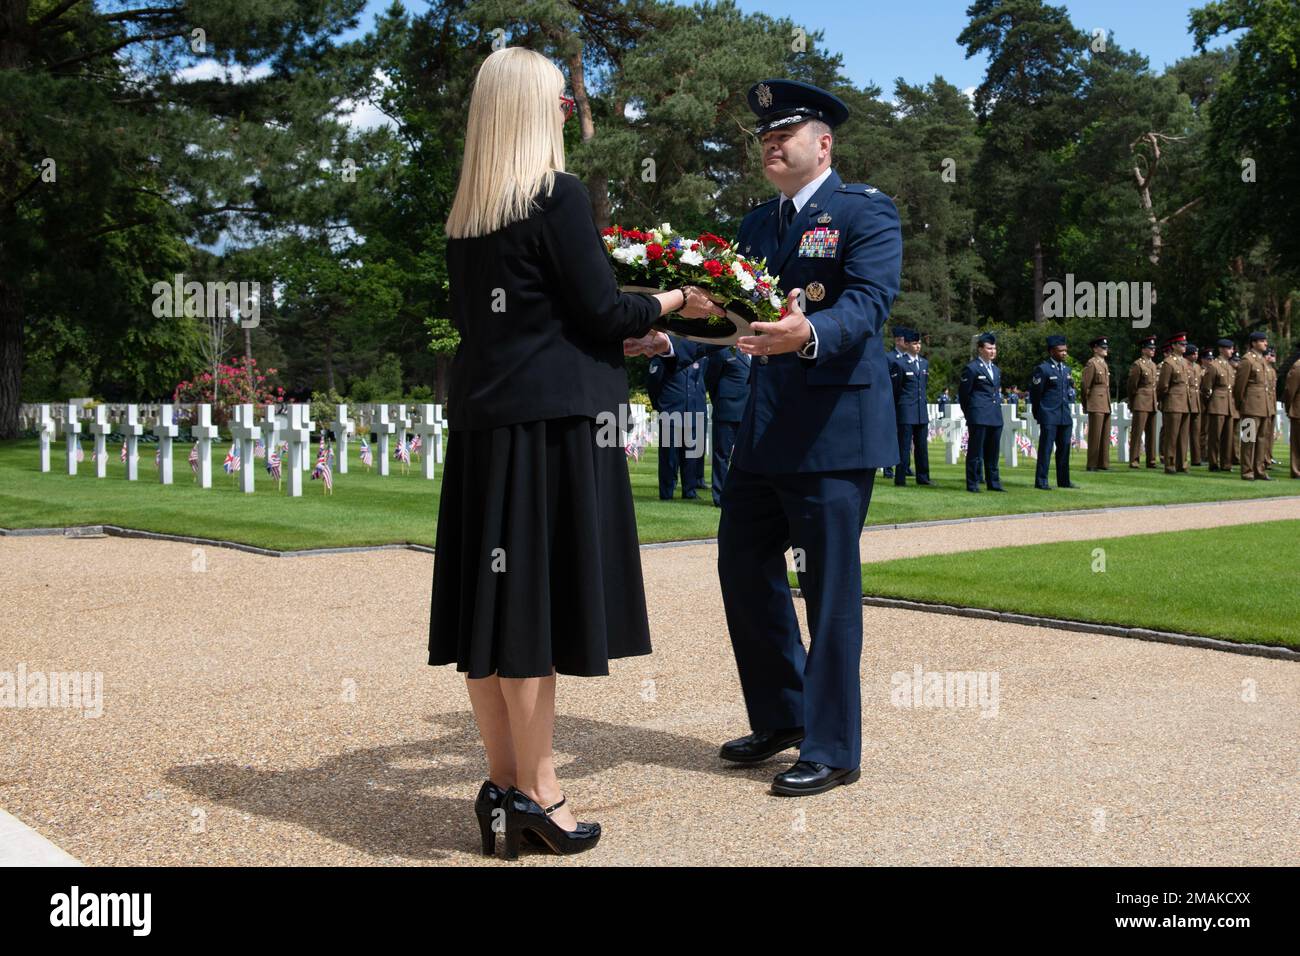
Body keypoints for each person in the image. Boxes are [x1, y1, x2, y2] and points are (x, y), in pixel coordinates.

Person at [430, 47, 724, 859]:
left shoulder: (468, 216)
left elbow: (527, 325)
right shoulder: (553, 197)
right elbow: (600, 308)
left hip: (490, 431)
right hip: (551, 436)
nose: (567, 110)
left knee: (491, 620)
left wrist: (612, 344)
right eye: (559, 99)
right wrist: (675, 299)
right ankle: (541, 792)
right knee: (533, 618)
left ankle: (500, 789)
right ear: (533, 109)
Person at [680, 77, 902, 796]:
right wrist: (667, 342)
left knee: (828, 588)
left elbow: (868, 303)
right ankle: (784, 716)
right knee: (744, 569)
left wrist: (810, 331)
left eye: (786, 134)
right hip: (765, 431)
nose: (772, 144)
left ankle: (835, 746)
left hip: (835, 432)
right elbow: (730, 316)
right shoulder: (756, 224)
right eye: (765, 137)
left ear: (823, 144)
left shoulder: (864, 212)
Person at [646, 338, 707, 499]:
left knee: (691, 455)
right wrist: (660, 406)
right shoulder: (662, 357)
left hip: (691, 411)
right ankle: (666, 492)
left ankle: (689, 491)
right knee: (668, 456)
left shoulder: (698, 358)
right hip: (671, 411)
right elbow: (653, 384)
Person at [701, 345, 752, 506]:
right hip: (727, 409)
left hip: (749, 411)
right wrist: (721, 400)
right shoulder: (723, 351)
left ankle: (745, 493)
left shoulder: (757, 351)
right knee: (722, 454)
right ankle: (720, 495)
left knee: (747, 455)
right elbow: (711, 379)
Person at [1029, 335, 1078, 489]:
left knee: (1064, 449)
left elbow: (1069, 390)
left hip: (1064, 415)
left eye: (1065, 350)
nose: (1064, 353)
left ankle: (1064, 480)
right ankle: (1041, 480)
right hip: (1049, 414)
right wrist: (1039, 413)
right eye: (1060, 351)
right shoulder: (1042, 369)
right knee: (1046, 449)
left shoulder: (1067, 369)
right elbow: (1036, 394)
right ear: (1051, 352)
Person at [958, 332, 1004, 492]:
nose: (993, 351)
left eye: (994, 348)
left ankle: (994, 483)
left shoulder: (996, 370)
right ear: (980, 349)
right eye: (989, 348)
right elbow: (964, 394)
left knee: (993, 453)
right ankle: (972, 483)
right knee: (975, 453)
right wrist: (970, 413)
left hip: (994, 415)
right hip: (978, 415)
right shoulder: (972, 368)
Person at [891, 328, 932, 486]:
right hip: (906, 410)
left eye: (919, 343)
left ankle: (923, 477)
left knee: (922, 446)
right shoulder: (899, 364)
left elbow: (923, 387)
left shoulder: (924, 363)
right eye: (914, 343)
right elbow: (896, 389)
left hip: (921, 411)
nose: (918, 346)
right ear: (907, 344)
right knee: (904, 446)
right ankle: (900, 478)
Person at [1233, 331, 1272, 481]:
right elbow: (1239, 387)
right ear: (1254, 343)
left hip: (1263, 406)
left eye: (1265, 341)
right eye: (1262, 341)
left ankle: (1259, 470)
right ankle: (1247, 471)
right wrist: (1241, 404)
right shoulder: (1247, 360)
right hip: (1250, 406)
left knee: (1262, 440)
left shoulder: (1262, 361)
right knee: (1249, 439)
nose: (1265, 343)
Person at [1157, 333, 1191, 474]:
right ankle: (1170, 464)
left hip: (1184, 402)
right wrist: (1162, 400)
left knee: (1183, 436)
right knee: (1171, 435)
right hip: (1173, 402)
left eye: (1185, 344)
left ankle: (1181, 463)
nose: (1184, 347)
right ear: (1174, 346)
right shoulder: (1169, 363)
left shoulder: (1184, 362)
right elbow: (1163, 385)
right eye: (1181, 344)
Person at [1126, 336, 1159, 468]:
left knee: (1151, 433)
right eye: (1150, 348)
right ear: (1143, 350)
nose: (1153, 350)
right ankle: (1134, 460)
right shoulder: (1138, 364)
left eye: (1154, 348)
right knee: (1137, 432)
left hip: (1151, 400)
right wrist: (1133, 400)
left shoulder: (1153, 365)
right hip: (1141, 400)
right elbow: (1132, 385)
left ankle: (1151, 460)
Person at [1202, 340, 1235, 471]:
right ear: (1221, 350)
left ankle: (1226, 464)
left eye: (1232, 349)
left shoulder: (1229, 366)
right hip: (1217, 404)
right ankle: (1213, 463)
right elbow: (1206, 388)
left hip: (1228, 404)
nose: (1232, 351)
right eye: (1229, 349)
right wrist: (1210, 403)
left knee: (1228, 437)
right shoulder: (1214, 366)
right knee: (1215, 437)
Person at [882, 327, 909, 480]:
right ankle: (888, 468)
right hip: (891, 401)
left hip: (903, 403)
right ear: (898, 340)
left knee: (904, 438)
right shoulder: (889, 358)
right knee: (891, 436)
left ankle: (904, 466)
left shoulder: (908, 359)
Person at [1082, 336, 1111, 471]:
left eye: (1106, 347)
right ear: (1095, 349)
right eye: (1103, 347)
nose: (1106, 349)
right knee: (1095, 435)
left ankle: (1103, 463)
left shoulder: (1104, 364)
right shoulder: (1092, 363)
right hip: (1095, 403)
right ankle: (1092, 464)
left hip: (1105, 403)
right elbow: (1085, 386)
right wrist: (1085, 404)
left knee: (1105, 436)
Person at [1184, 343, 1203, 465]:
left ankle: (1196, 459)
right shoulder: (1183, 365)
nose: (1196, 355)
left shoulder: (1197, 367)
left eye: (1197, 353)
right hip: (1185, 400)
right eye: (1193, 353)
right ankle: (1180, 458)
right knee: (1183, 432)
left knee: (1196, 432)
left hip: (1196, 401)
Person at [1285, 348, 1300, 479]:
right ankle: (1296, 471)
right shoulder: (1298, 366)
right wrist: (1290, 407)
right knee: (1297, 444)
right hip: (1298, 410)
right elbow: (1290, 391)